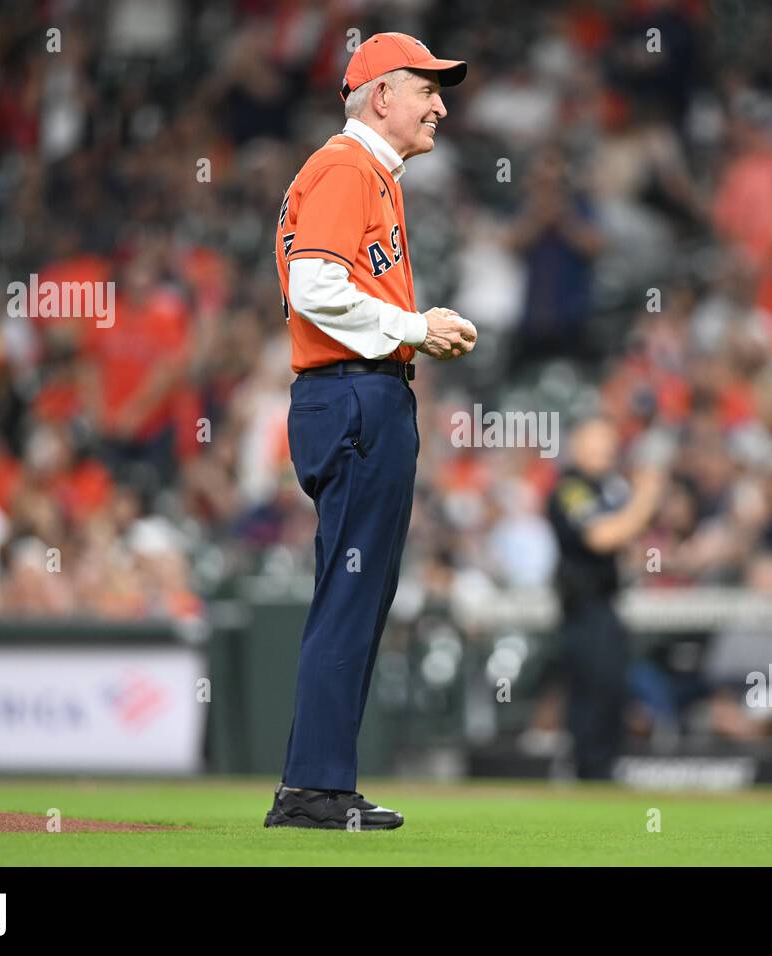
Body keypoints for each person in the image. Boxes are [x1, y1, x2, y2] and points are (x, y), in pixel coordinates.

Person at [264, 33, 476, 831]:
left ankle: (318, 782)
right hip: (354, 396)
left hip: (355, 395)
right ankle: (314, 788)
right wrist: (414, 326)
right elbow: (317, 288)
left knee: (356, 592)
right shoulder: (348, 167)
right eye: (427, 87)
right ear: (381, 94)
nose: (440, 104)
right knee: (352, 594)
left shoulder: (362, 174)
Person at [546, 417, 668, 779]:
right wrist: (647, 494)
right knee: (594, 692)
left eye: (609, 443)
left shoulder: (607, 490)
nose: (606, 452)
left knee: (614, 690)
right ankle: (588, 772)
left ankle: (605, 770)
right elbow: (601, 536)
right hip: (584, 608)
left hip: (607, 604)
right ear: (577, 448)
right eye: (596, 443)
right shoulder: (572, 489)